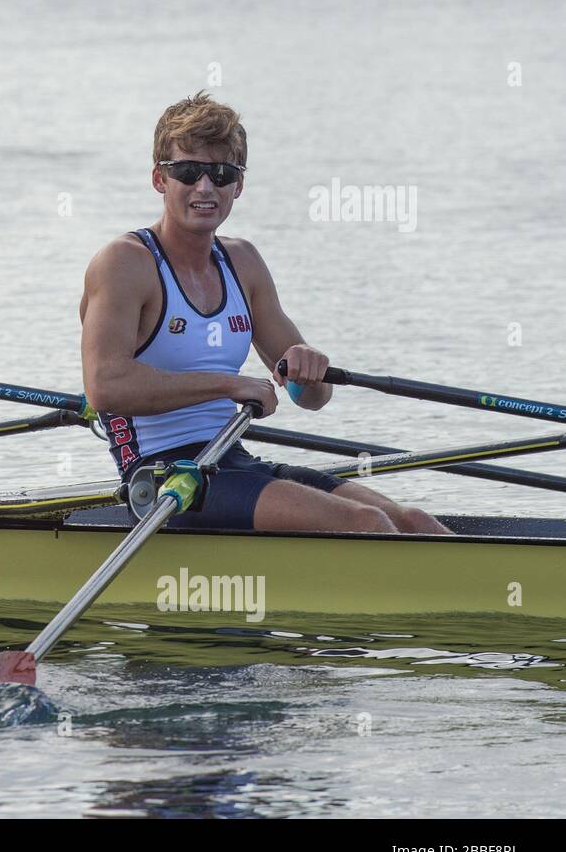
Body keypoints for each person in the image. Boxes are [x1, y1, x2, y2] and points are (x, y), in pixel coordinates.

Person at [80, 93, 448, 534]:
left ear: (239, 184)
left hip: (230, 461)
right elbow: (105, 385)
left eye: (221, 174)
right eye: (188, 171)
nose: (205, 187)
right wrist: (230, 384)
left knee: (414, 522)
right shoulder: (125, 263)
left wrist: (309, 367)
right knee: (366, 523)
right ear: (160, 179)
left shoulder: (243, 262)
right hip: (163, 479)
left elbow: (311, 398)